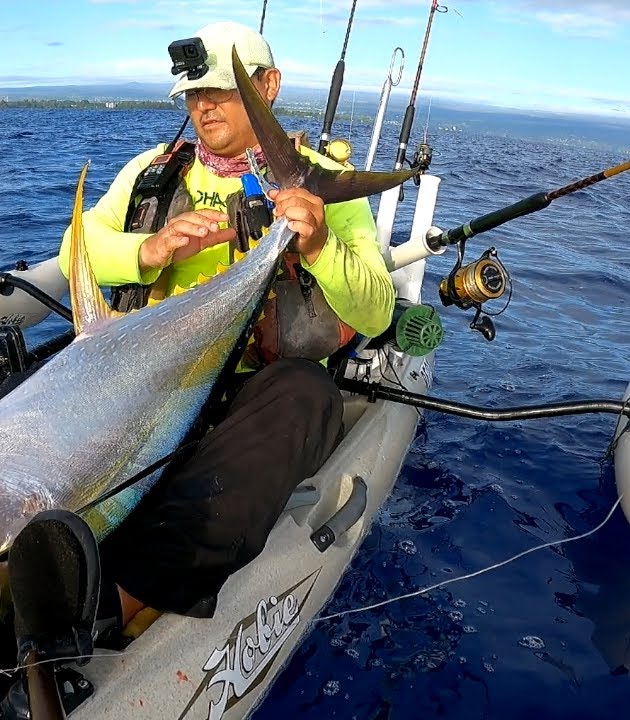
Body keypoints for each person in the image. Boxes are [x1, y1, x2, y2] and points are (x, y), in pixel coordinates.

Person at [43, 20, 397, 634]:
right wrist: (149, 249)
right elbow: (77, 244)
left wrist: (317, 245)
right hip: (149, 372)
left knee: (307, 396)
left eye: (222, 91)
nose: (203, 106)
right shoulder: (155, 169)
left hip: (251, 393)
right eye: (193, 94)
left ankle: (118, 601)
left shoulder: (323, 188)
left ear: (269, 86)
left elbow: (377, 311)